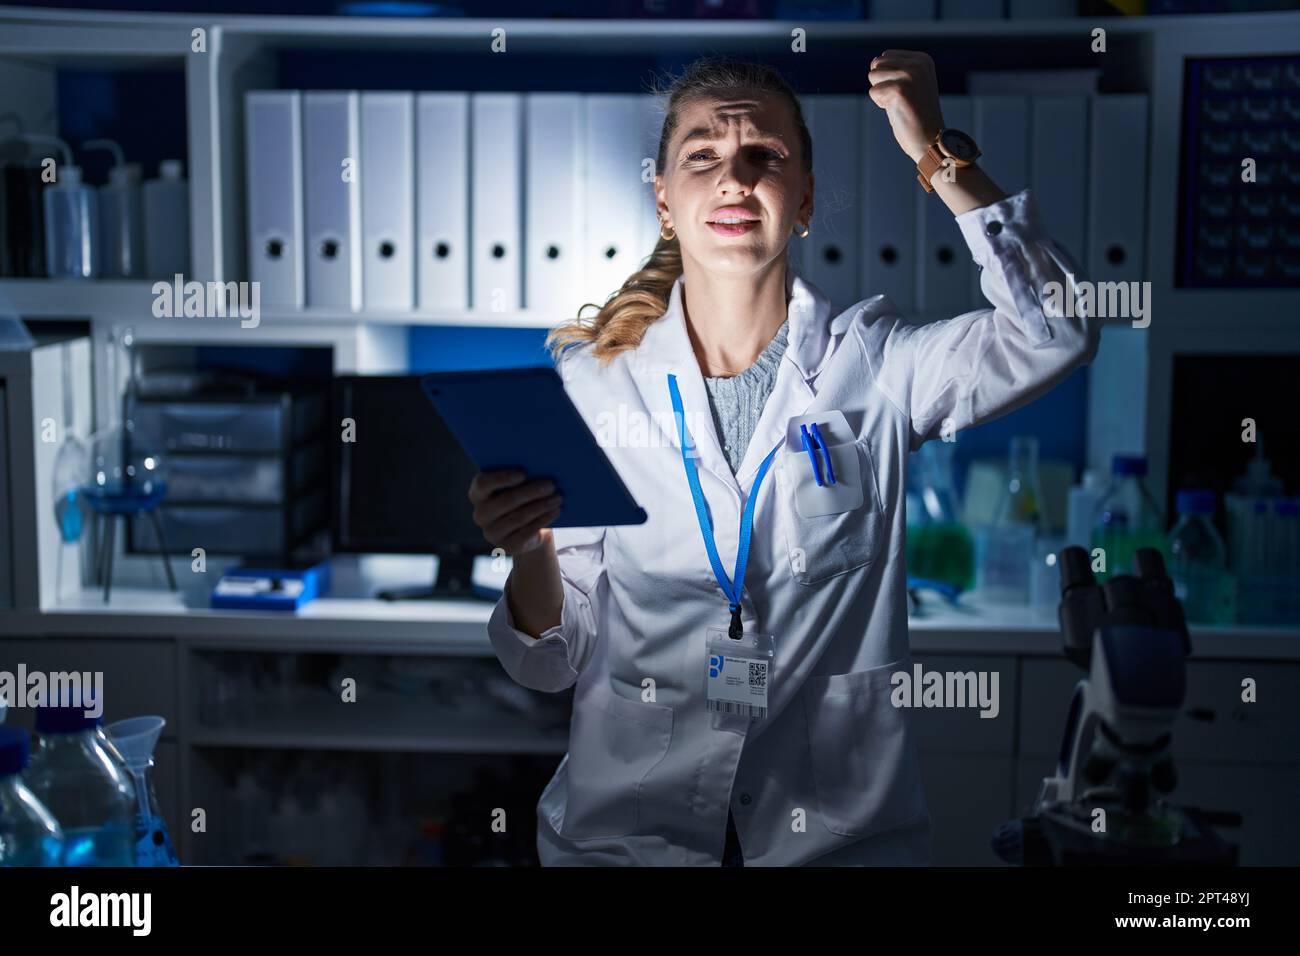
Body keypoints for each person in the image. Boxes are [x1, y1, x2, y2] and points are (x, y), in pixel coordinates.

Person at [468, 53, 1099, 866]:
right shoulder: (595, 389)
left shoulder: (875, 366)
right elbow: (552, 659)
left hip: (836, 842)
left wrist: (934, 150)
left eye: (764, 156)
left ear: (801, 199)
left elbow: (1058, 330)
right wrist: (530, 549)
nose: (734, 178)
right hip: (626, 842)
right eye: (702, 157)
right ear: (664, 200)